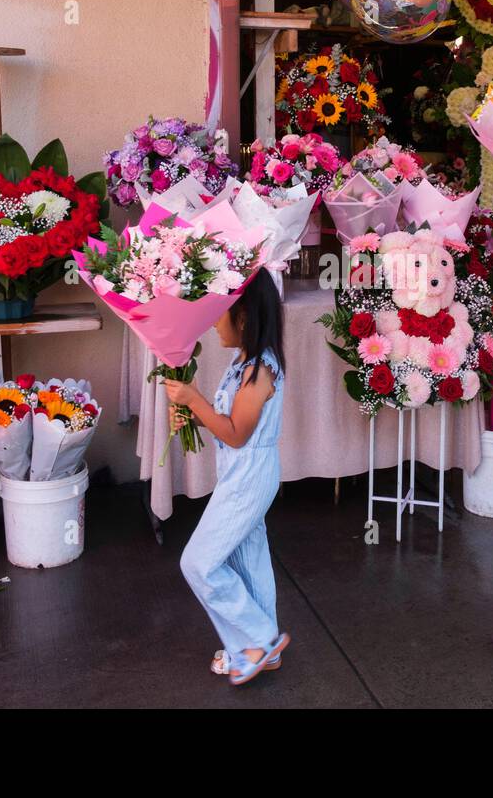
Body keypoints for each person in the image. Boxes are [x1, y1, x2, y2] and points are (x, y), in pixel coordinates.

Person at [163, 272, 290, 686]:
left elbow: (237, 434)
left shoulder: (260, 373)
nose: (215, 323)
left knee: (198, 563)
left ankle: (257, 639)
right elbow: (229, 425)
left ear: (245, 318)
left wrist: (192, 397)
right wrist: (194, 417)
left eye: (221, 313)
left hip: (249, 478)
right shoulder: (244, 366)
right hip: (242, 473)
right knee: (247, 560)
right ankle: (256, 650)